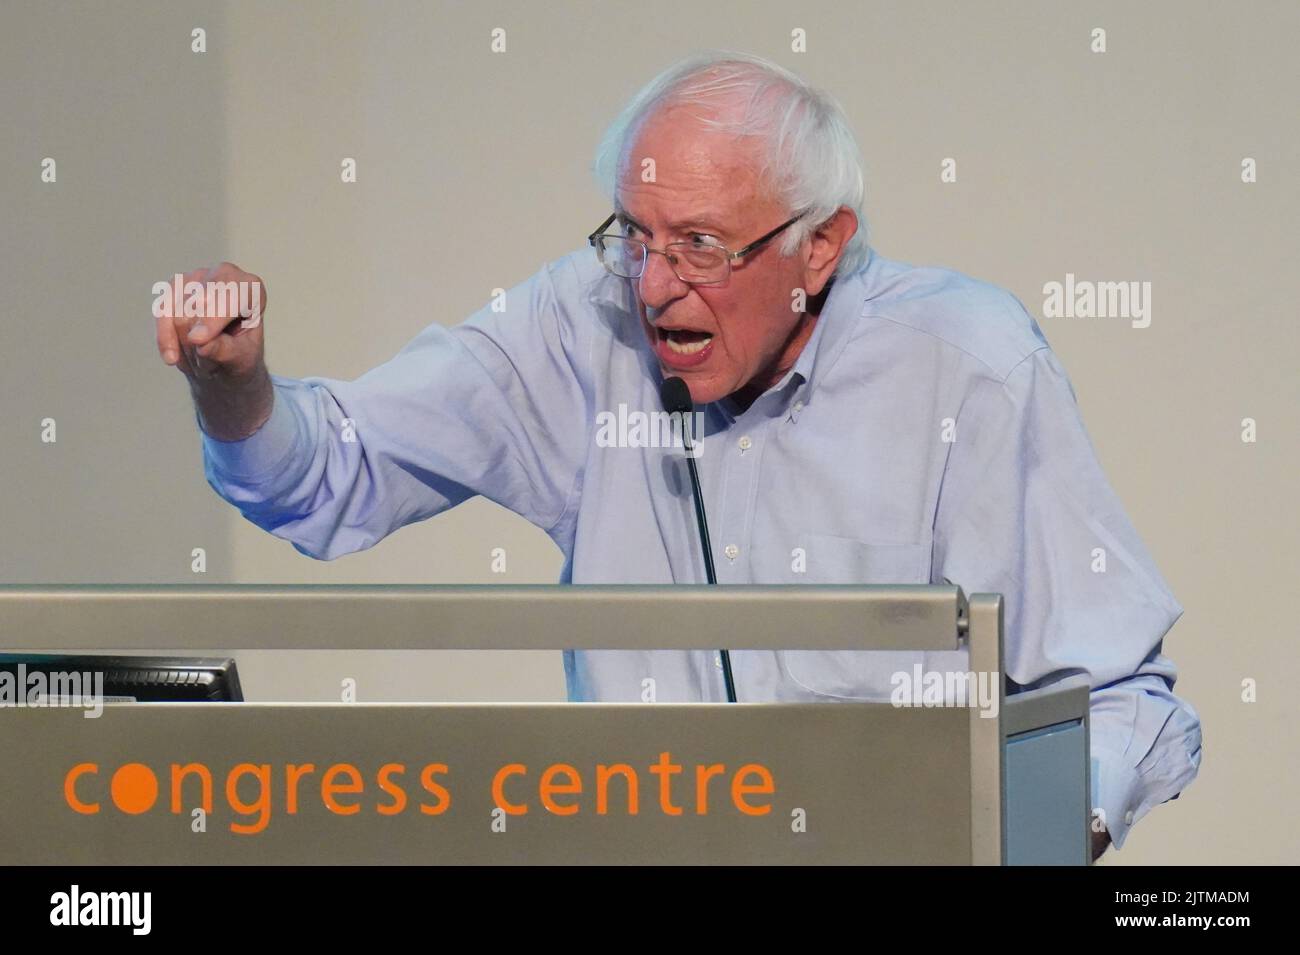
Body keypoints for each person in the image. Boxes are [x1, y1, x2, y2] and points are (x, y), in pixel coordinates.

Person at [153, 51, 1200, 859]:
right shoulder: (583, 324)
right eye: (636, 237)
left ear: (820, 245)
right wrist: (232, 379)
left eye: (700, 245)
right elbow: (326, 477)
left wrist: (1037, 844)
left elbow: (1116, 698)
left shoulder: (967, 368)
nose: (653, 286)